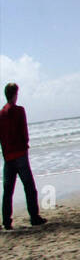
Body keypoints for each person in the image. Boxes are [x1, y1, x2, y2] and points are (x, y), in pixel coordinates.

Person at [1, 82, 48, 230]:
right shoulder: (20, 110)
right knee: (29, 186)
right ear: (15, 95)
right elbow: (24, 132)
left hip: (8, 156)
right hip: (20, 154)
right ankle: (34, 217)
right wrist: (25, 145)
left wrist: (5, 152)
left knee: (8, 190)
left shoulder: (1, 113)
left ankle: (7, 221)